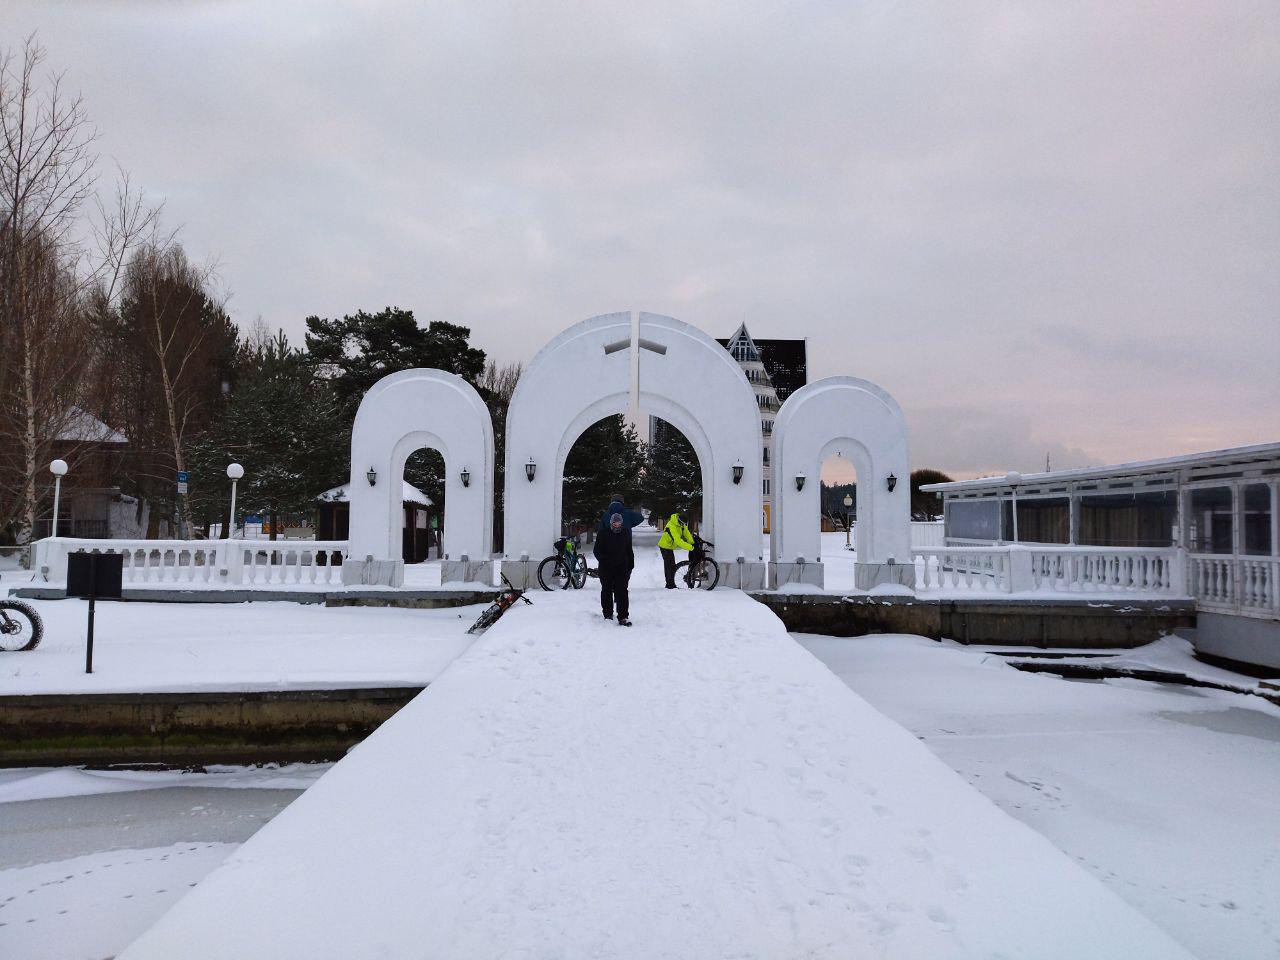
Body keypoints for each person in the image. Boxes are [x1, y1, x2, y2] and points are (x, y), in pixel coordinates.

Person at [593, 512, 634, 626]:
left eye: (619, 523)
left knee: (622, 591)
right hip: (606, 567)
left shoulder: (625, 533)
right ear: (611, 523)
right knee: (606, 590)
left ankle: (623, 616)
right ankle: (608, 614)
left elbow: (628, 549)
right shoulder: (603, 533)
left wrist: (631, 564)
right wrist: (603, 560)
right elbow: (596, 551)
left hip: (621, 567)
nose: (617, 525)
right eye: (615, 523)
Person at [658, 511, 694, 589]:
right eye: (682, 523)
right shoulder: (672, 526)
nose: (683, 525)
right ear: (679, 521)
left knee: (672, 565)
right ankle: (669, 585)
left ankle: (670, 583)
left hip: (670, 547)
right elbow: (678, 541)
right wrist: (690, 547)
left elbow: (686, 533)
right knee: (669, 565)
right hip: (664, 546)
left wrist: (692, 542)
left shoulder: (681, 524)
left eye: (684, 524)